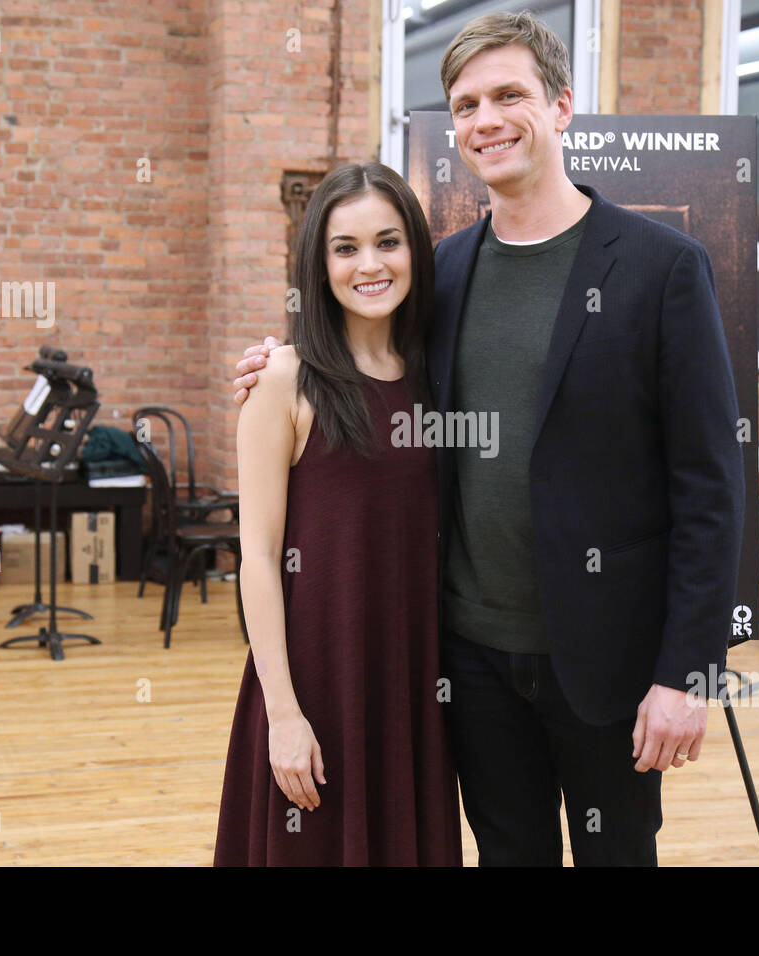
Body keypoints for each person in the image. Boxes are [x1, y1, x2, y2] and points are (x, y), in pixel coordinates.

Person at [232, 11, 744, 866]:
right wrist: (276, 362)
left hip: (609, 666)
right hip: (466, 663)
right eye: (466, 104)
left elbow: (711, 488)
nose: (487, 120)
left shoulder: (661, 268)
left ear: (563, 107)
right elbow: (367, 357)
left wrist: (687, 671)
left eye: (509, 95)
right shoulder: (447, 272)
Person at [213, 162, 463, 866]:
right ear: (318, 266)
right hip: (316, 677)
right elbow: (258, 557)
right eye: (346, 248)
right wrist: (283, 713)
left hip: (411, 679)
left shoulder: (434, 376)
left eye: (388, 241)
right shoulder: (285, 378)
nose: (370, 265)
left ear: (415, 247)